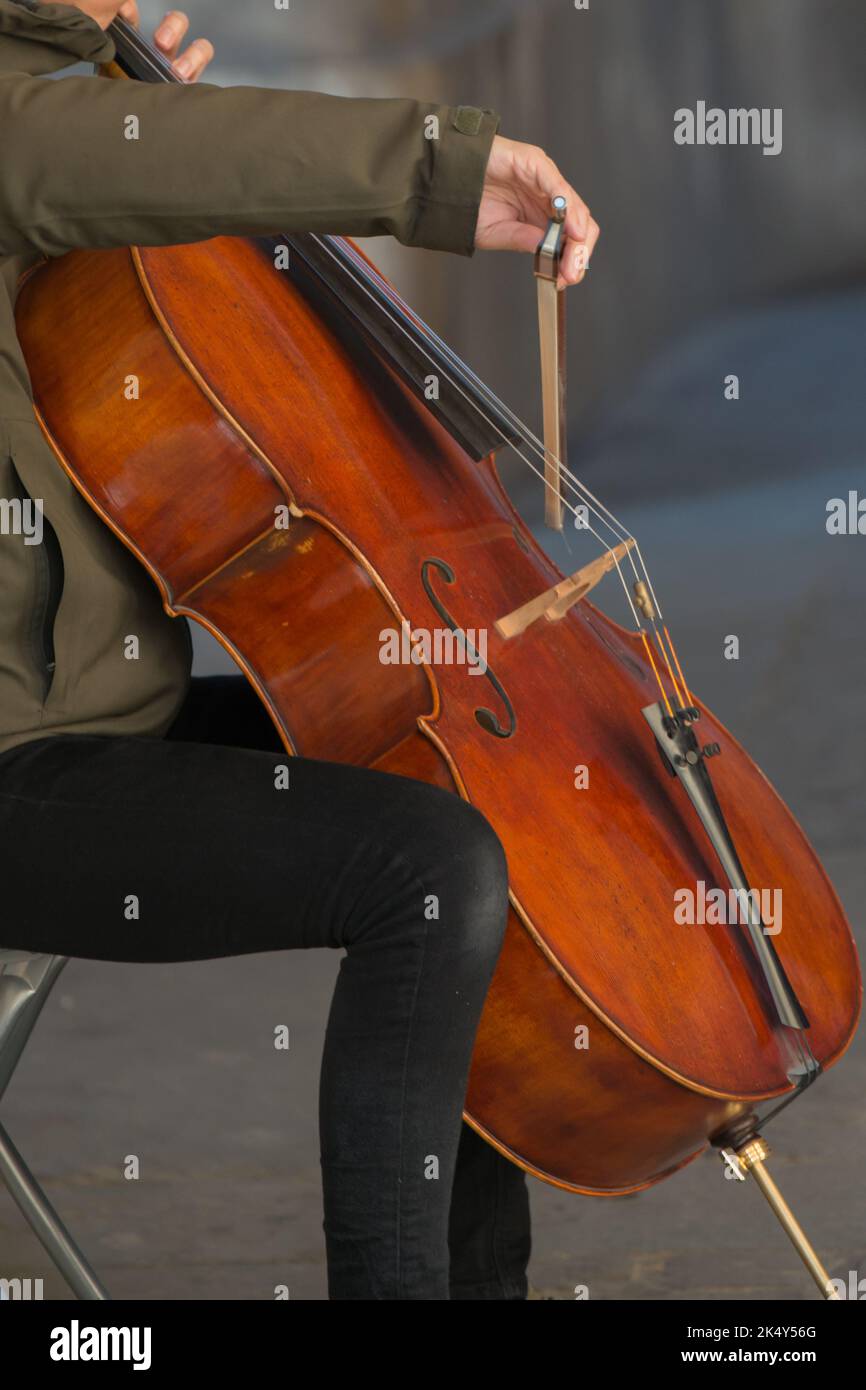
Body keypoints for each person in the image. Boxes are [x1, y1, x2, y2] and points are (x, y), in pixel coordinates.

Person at [0, 0, 598, 1299]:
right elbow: (179, 156)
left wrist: (114, 89)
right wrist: (446, 168)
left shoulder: (58, 92)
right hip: (19, 771)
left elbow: (136, 156)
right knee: (425, 872)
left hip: (89, 719)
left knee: (451, 765)